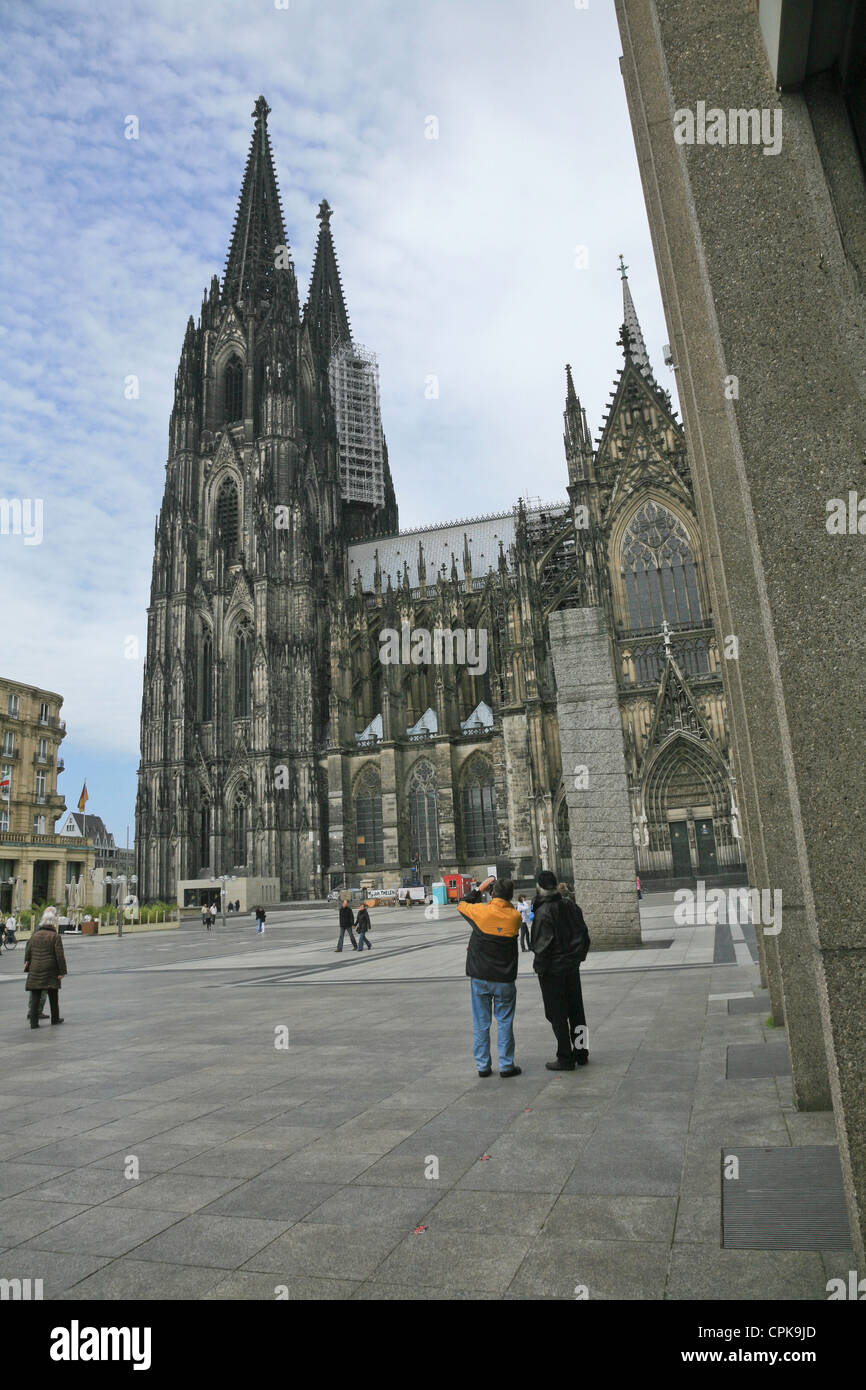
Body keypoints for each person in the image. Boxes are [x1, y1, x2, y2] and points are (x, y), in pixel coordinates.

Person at [457, 876, 522, 1079]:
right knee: (504, 1022)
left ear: (492, 893)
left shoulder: (481, 912)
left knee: (481, 1023)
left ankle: (483, 1066)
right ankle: (506, 1065)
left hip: (480, 977)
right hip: (504, 979)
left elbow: (462, 905)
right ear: (510, 895)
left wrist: (479, 888)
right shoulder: (515, 917)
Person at [530, 870, 590, 1071]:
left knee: (557, 1014)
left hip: (553, 971)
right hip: (571, 967)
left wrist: (540, 968)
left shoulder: (543, 912)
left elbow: (541, 946)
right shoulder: (570, 905)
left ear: (539, 886)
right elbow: (584, 934)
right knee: (577, 1011)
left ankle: (565, 1056)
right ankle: (582, 1052)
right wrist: (578, 957)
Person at [24, 906, 67, 1029]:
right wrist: (62, 972)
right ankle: (55, 1019)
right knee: (53, 994)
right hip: (50, 969)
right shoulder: (55, 936)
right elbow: (60, 956)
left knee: (36, 994)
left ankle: (33, 1023)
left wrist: (28, 965)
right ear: (54, 923)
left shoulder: (34, 935)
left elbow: (28, 953)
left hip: (35, 968)